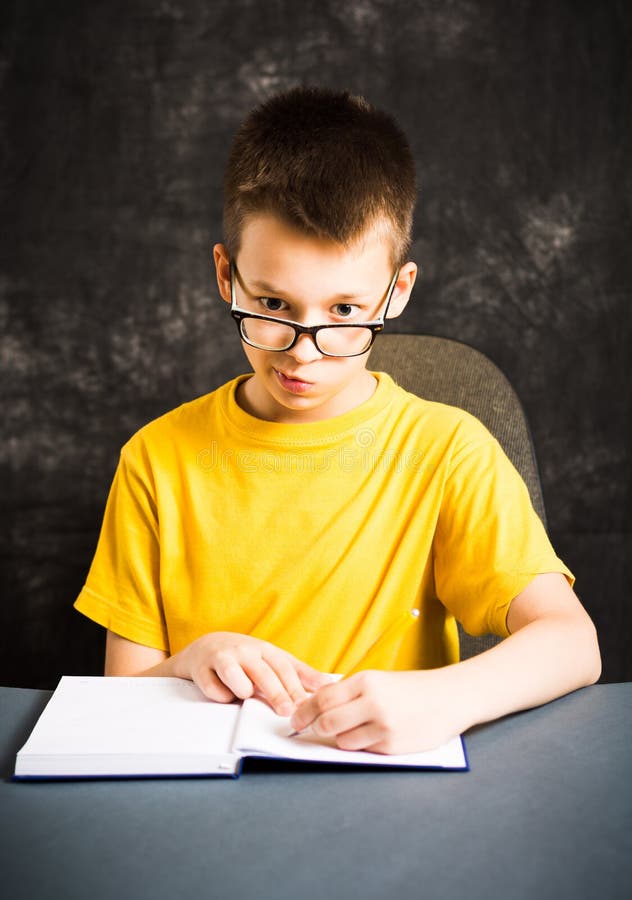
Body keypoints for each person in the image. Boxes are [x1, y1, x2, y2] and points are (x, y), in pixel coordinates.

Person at [74, 86, 601, 754]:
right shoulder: (155, 460)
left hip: (392, 807)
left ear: (397, 291)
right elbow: (122, 698)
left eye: (345, 312)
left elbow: (573, 643)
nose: (302, 351)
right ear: (225, 275)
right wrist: (187, 664)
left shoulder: (447, 452)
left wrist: (446, 697)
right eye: (272, 303)